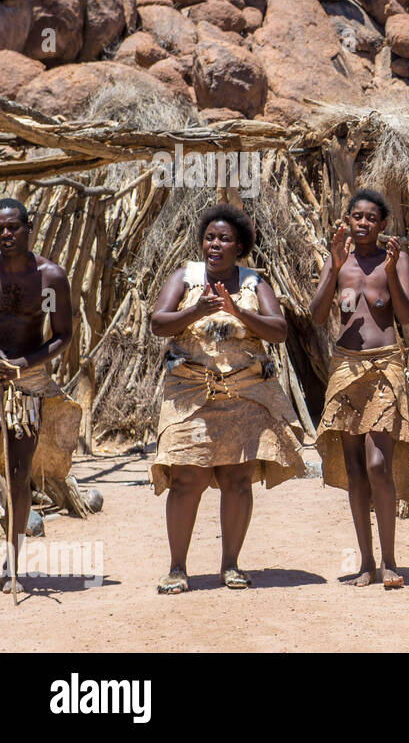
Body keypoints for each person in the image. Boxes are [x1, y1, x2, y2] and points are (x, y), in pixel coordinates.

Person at [149, 203, 306, 593]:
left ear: (240, 247)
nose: (214, 244)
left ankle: (231, 565)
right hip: (191, 394)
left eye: (224, 239)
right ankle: (177, 568)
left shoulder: (255, 283)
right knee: (187, 476)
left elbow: (279, 330)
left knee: (238, 479)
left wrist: (237, 311)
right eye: (210, 237)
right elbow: (157, 323)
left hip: (244, 394)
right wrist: (197, 309)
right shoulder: (186, 277)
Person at [310, 189, 409, 589]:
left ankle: (391, 559)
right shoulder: (338, 260)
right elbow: (317, 314)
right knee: (356, 471)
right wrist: (334, 266)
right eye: (357, 216)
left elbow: (407, 315)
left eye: (372, 218)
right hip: (346, 367)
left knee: (378, 466)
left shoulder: (397, 260)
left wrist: (390, 273)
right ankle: (366, 563)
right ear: (347, 220)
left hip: (386, 364)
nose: (363, 223)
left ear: (383, 224)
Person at [0, 198, 79, 595]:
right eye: (0, 228)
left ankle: (12, 562)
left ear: (28, 228)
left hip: (27, 379)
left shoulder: (49, 277)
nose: (5, 234)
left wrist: (24, 363)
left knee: (18, 473)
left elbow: (63, 334)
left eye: (13, 227)